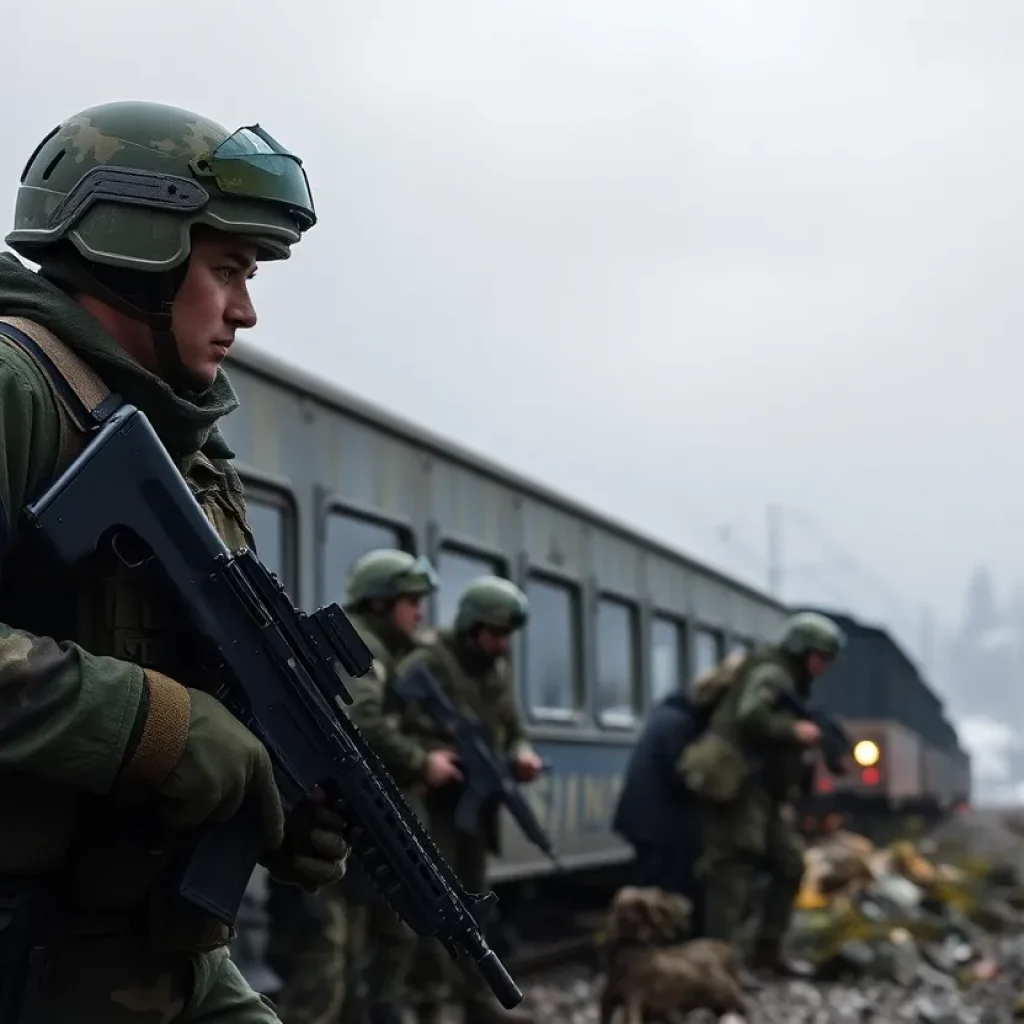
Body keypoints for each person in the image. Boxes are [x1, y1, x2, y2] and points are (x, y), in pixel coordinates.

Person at [0, 101, 348, 1023]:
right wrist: (161, 726)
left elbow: (204, 683)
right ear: (136, 244)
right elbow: (173, 716)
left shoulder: (187, 450)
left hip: (149, 950)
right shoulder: (16, 389)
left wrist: (272, 787)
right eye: (227, 268)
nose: (246, 308)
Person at [268, 549, 461, 1024]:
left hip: (328, 822)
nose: (420, 611)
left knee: (346, 958)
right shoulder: (366, 649)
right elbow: (365, 721)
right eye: (411, 600)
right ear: (379, 603)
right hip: (324, 821)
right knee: (327, 963)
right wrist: (421, 761)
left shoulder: (376, 648)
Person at [394, 576, 542, 1024]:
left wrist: (520, 754)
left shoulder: (494, 672)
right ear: (472, 626)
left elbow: (512, 729)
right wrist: (430, 754)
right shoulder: (428, 662)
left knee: (475, 902)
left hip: (473, 812)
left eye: (507, 636)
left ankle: (476, 999)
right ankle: (431, 1005)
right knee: (437, 903)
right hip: (433, 803)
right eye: (496, 634)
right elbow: (392, 722)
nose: (502, 645)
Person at [693, 612, 845, 974]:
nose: (822, 667)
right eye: (819, 657)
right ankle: (719, 962)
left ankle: (767, 951)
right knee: (732, 868)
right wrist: (794, 731)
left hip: (762, 791)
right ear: (801, 650)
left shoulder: (788, 679)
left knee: (790, 862)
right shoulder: (771, 673)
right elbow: (750, 715)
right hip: (738, 784)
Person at [611, 687, 705, 932]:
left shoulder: (667, 716)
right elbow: (681, 774)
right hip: (655, 822)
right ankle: (648, 941)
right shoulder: (680, 724)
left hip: (643, 818)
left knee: (647, 883)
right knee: (654, 890)